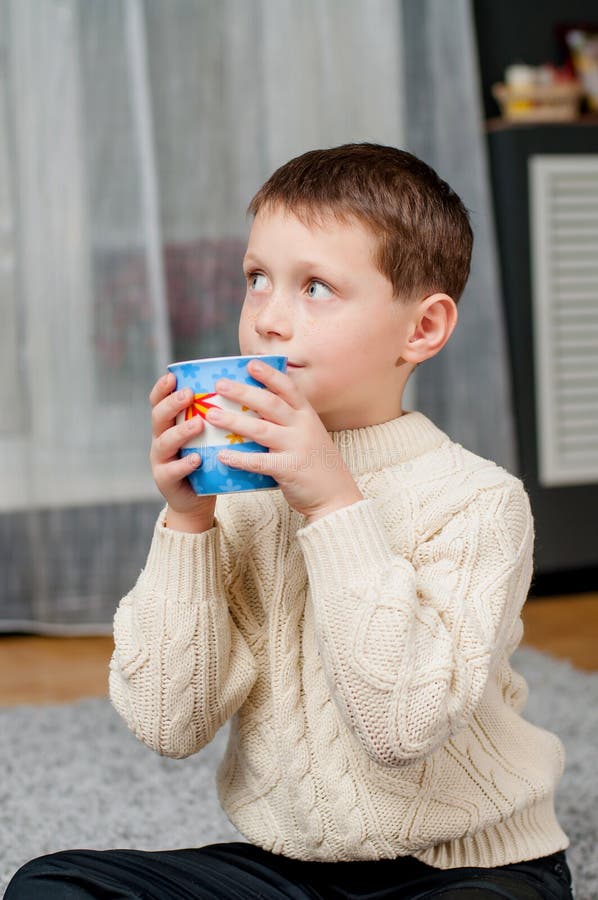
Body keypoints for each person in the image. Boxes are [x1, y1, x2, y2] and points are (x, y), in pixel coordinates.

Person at [5, 144, 574, 899]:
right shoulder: (240, 496)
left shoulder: (478, 502)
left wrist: (334, 504)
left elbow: (401, 726)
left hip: (468, 865)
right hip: (294, 871)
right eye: (257, 281)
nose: (269, 318)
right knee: (50, 885)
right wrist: (187, 525)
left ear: (422, 330)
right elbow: (167, 724)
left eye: (316, 288)